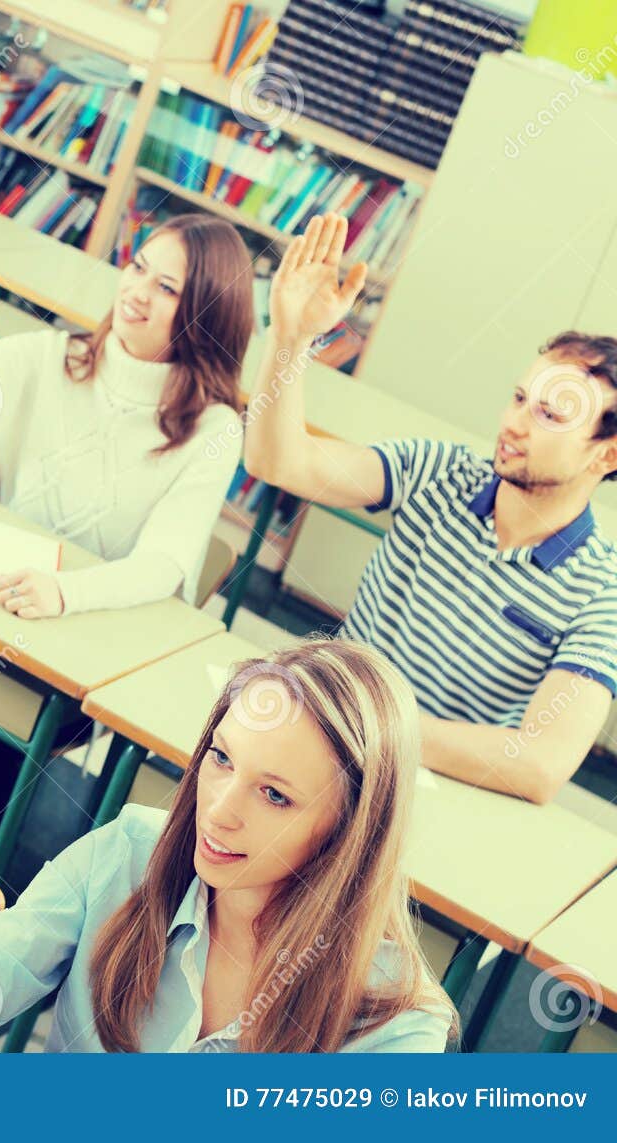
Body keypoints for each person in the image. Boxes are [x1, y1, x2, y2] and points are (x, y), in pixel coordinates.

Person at [0, 638, 458, 1053]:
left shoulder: (397, 1028)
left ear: (350, 828)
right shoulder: (132, 852)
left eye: (275, 795)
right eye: (222, 759)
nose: (219, 811)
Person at [244, 213, 617, 805]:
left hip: (422, 800)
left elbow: (540, 767)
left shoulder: (603, 591)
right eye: (520, 398)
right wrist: (288, 340)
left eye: (549, 415)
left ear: (606, 453)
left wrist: (365, 724)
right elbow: (279, 464)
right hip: (314, 756)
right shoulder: (440, 471)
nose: (513, 423)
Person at [0, 113, 254, 618]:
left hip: (89, 621)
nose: (136, 293)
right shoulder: (57, 356)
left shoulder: (212, 429)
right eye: (138, 268)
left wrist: (65, 593)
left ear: (206, 314)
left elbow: (165, 564)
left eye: (167, 288)